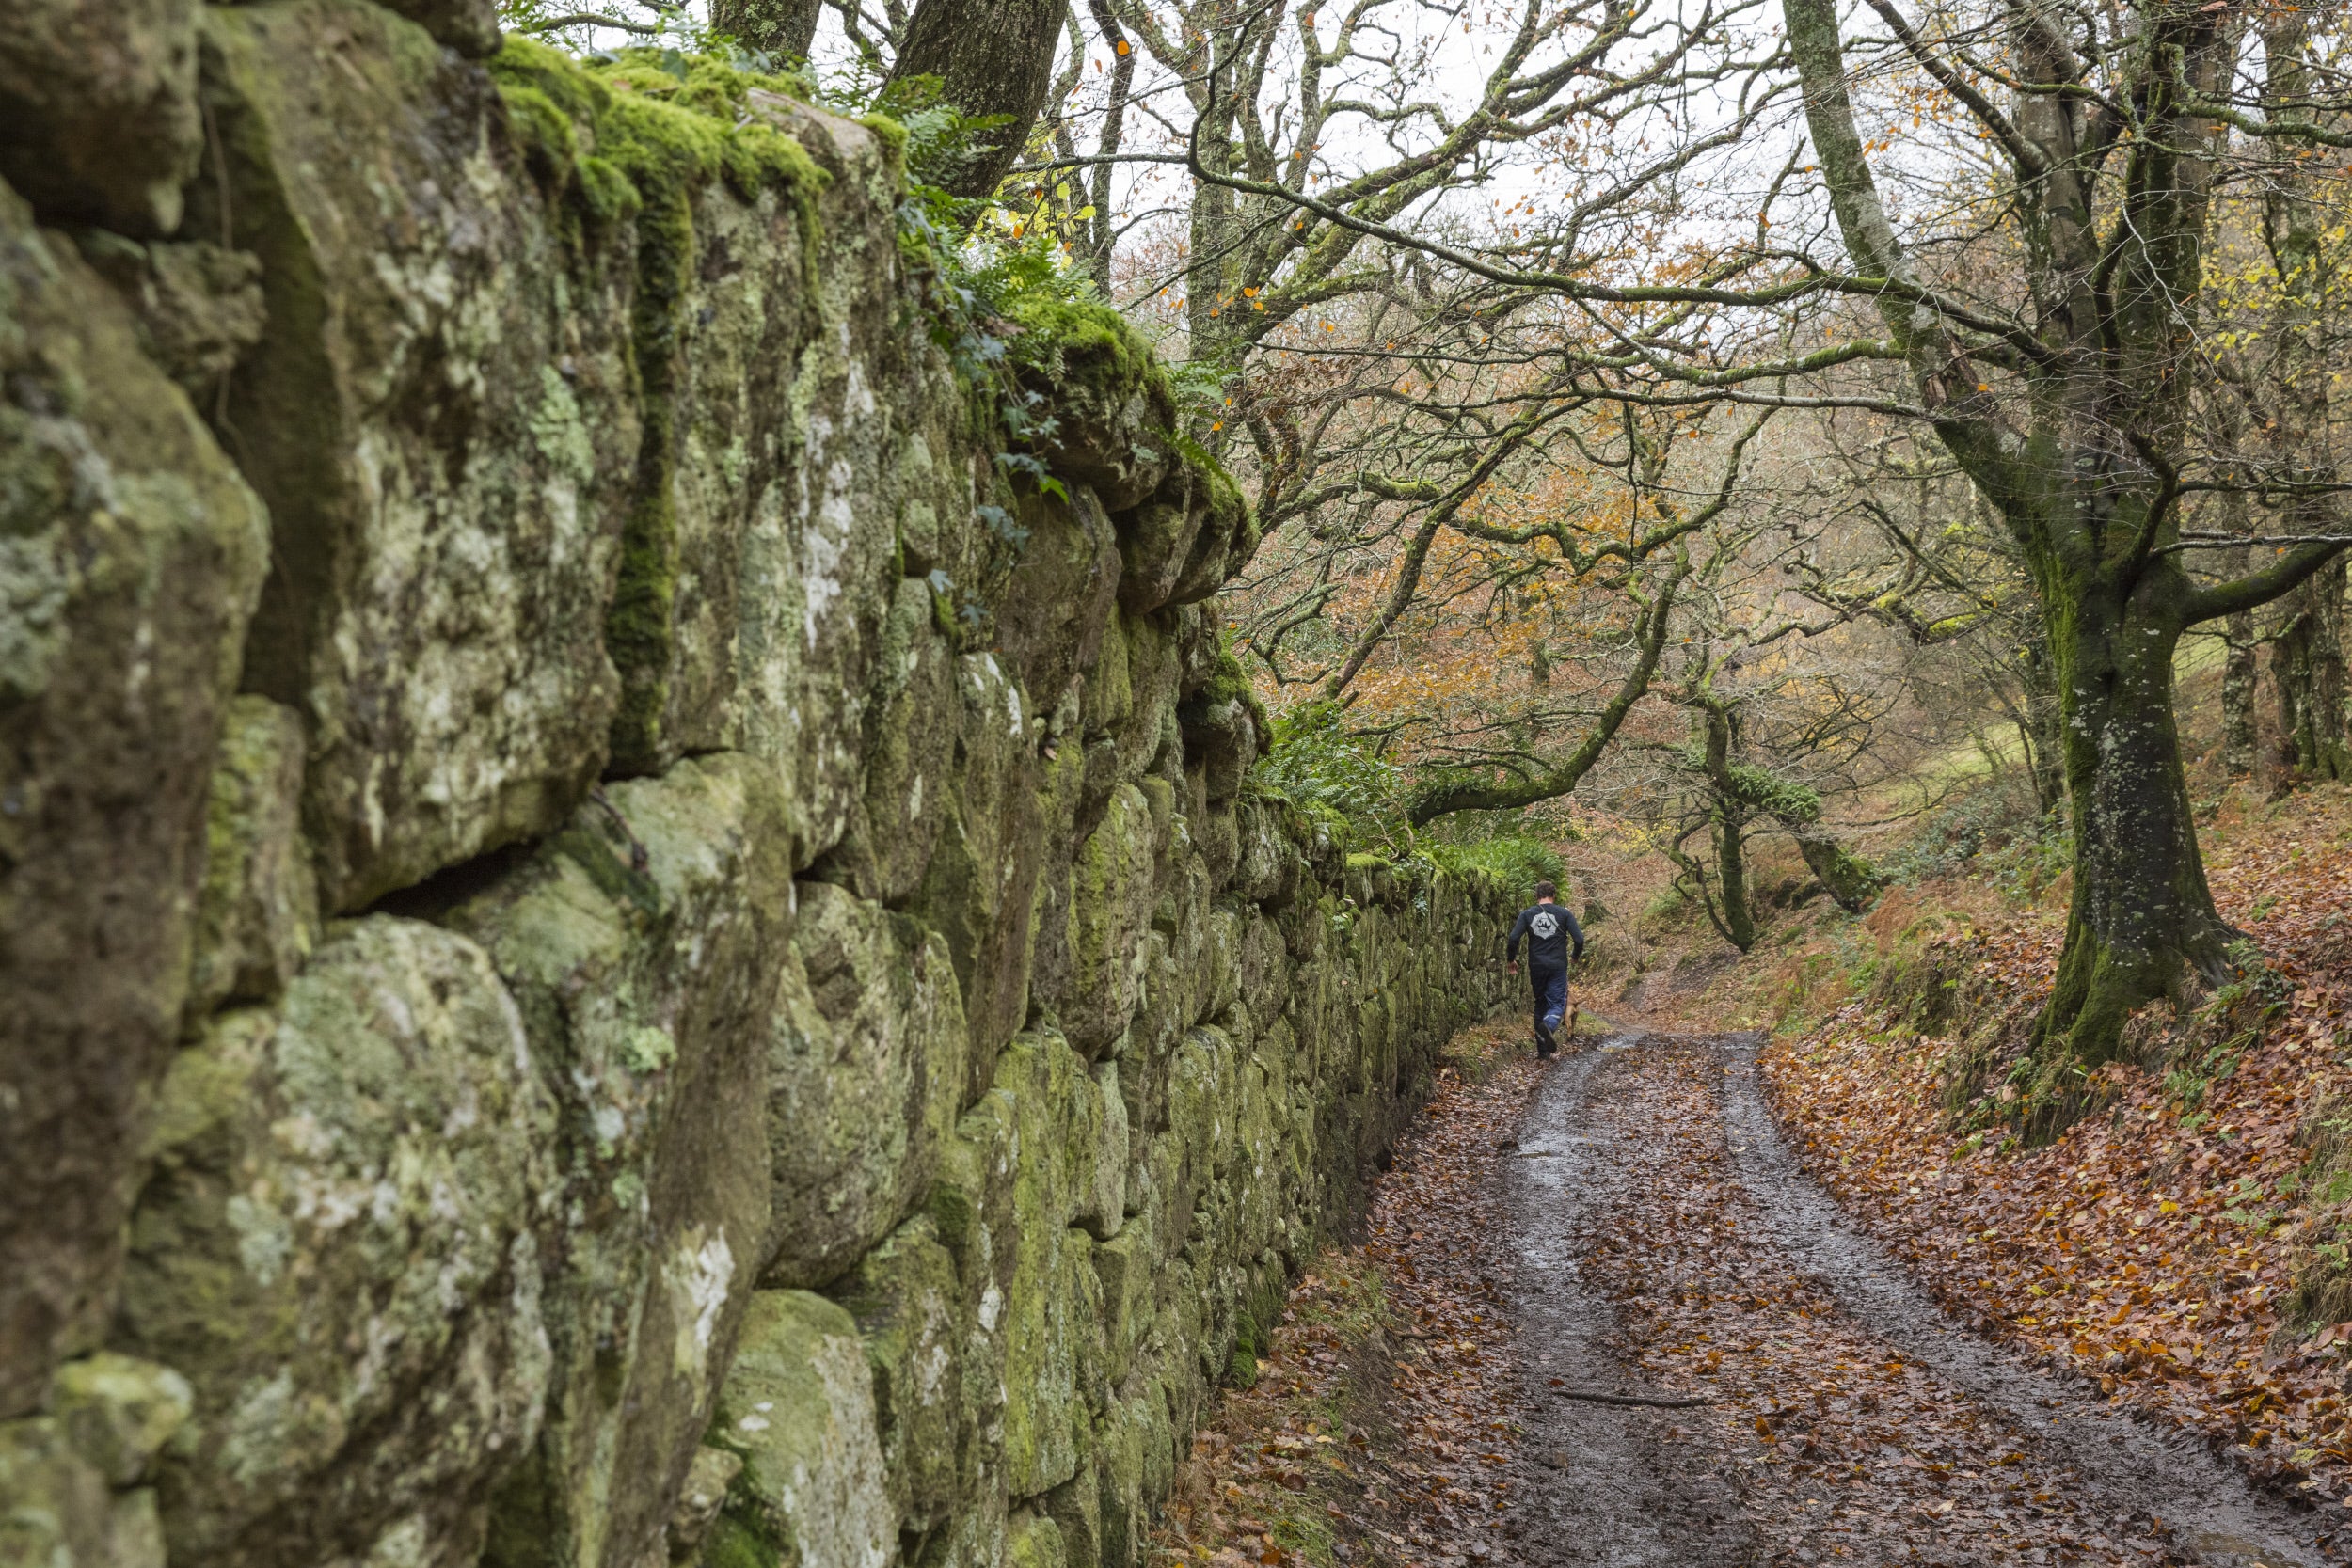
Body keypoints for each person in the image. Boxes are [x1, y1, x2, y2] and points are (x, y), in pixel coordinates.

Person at [1505, 880, 1584, 1059]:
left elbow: (1513, 938)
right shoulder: (1564, 914)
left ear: (1536, 896)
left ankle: (1543, 1052)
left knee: (1540, 1004)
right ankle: (1548, 1026)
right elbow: (1579, 939)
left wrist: (1511, 959)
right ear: (1553, 895)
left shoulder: (1527, 915)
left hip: (1536, 967)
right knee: (1556, 1003)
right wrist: (1574, 957)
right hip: (1557, 967)